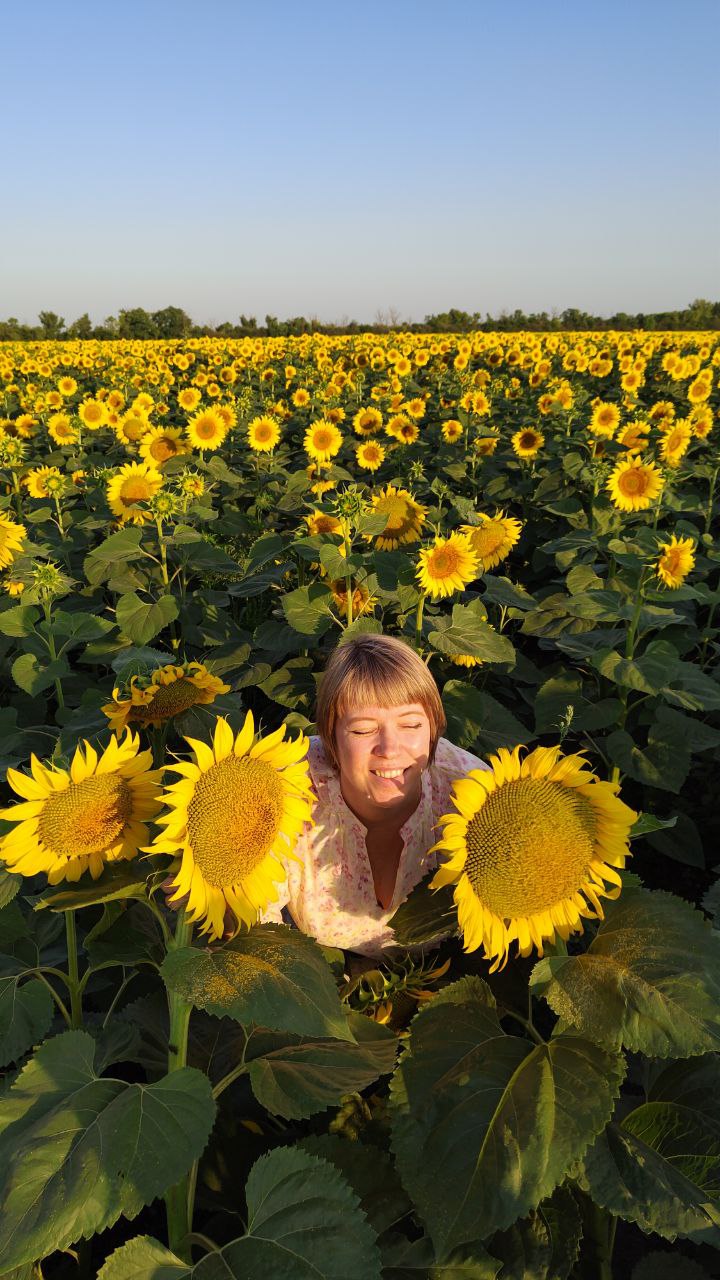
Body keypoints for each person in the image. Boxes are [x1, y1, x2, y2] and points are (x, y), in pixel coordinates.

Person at [261, 633, 490, 958]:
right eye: (363, 730)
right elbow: (257, 930)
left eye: (410, 725)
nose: (390, 749)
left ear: (433, 728)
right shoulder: (287, 789)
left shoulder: (473, 794)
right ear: (331, 737)